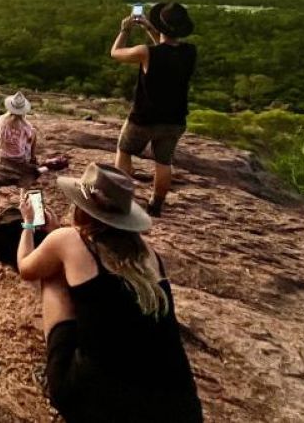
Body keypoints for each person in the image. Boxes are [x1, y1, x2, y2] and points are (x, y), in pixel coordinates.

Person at [16, 162, 203, 422]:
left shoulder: (67, 240)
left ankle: (56, 371)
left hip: (100, 403)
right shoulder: (148, 253)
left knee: (53, 274)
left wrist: (28, 225)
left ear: (81, 208)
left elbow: (26, 268)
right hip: (180, 408)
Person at [110, 2, 196, 216]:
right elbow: (166, 48)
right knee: (164, 163)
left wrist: (125, 29)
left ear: (161, 26)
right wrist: (150, 28)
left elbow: (116, 53)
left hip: (144, 118)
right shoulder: (189, 52)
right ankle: (156, 205)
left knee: (124, 151)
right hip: (175, 120)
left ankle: (121, 200)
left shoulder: (145, 53)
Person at [0, 91, 38, 164]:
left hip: (3, 154)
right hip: (19, 157)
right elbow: (29, 139)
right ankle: (33, 158)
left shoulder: (1, 119)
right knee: (33, 131)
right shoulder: (26, 125)